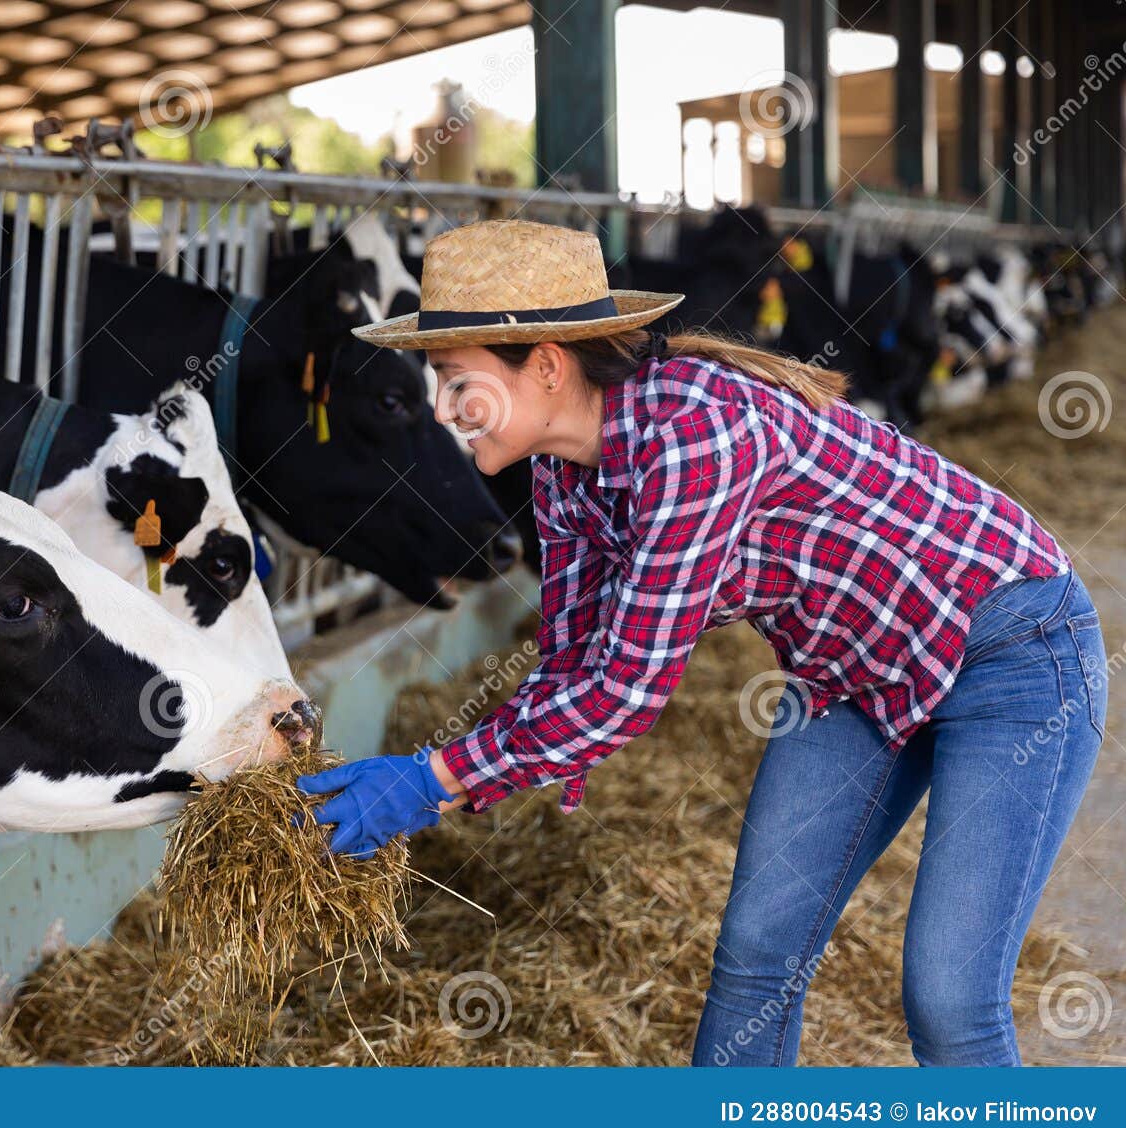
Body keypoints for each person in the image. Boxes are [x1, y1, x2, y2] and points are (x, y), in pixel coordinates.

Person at [295, 219, 1106, 1066]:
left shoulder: (693, 431)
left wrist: (431, 777)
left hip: (1013, 650)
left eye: (457, 380)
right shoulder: (560, 472)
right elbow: (576, 664)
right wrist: (457, 779)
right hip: (851, 676)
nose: (440, 409)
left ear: (543, 365)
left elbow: (625, 693)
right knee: (755, 956)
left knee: (948, 997)